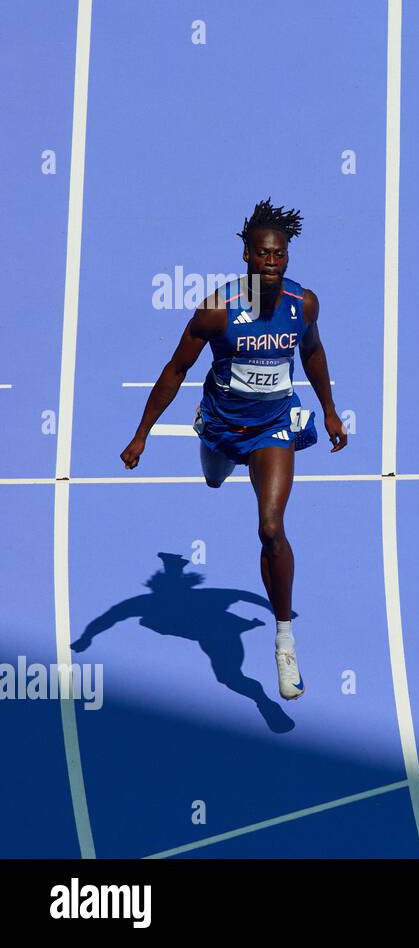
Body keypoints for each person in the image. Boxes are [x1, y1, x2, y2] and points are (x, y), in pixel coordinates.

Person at [120, 200, 347, 700]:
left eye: (280, 255)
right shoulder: (216, 311)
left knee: (271, 528)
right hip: (223, 423)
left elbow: (311, 352)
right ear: (246, 254)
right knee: (214, 477)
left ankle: (285, 640)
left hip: (274, 426)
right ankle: (214, 452)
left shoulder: (302, 304)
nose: (272, 263)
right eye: (263, 255)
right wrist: (143, 433)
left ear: (287, 257)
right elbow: (175, 369)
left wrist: (329, 409)